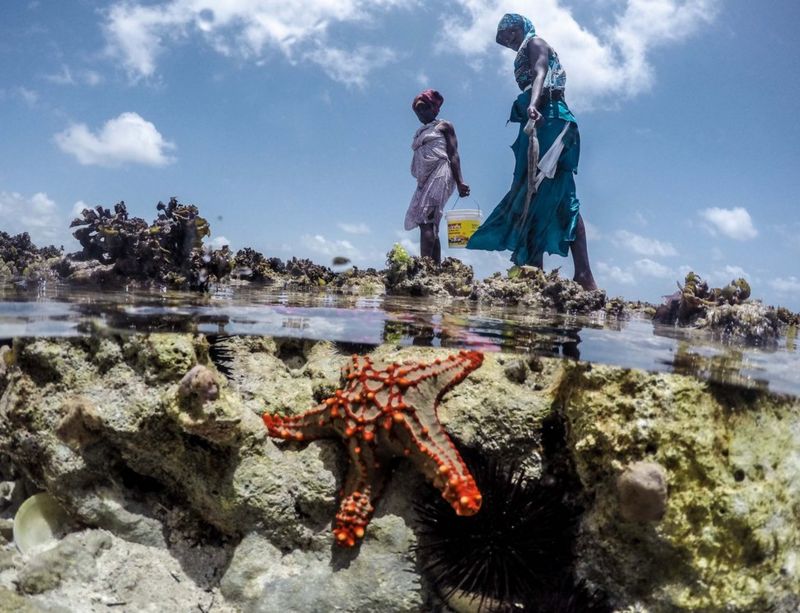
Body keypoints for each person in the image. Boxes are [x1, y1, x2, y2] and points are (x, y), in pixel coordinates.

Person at [466, 13, 597, 291]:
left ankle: (582, 273)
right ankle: (536, 267)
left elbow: (541, 71)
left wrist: (533, 105)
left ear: (522, 27)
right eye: (504, 39)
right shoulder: (521, 50)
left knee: (553, 190)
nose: (509, 41)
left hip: (549, 117)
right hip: (538, 117)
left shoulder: (536, 42)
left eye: (511, 33)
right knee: (535, 191)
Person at [404, 89, 470, 264]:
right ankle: (436, 267)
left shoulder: (444, 126)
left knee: (427, 219)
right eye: (417, 111)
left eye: (424, 109)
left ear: (434, 109)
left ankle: (424, 268)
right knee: (429, 222)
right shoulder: (421, 131)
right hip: (425, 180)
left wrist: (460, 181)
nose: (420, 114)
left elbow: (453, 154)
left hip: (441, 174)